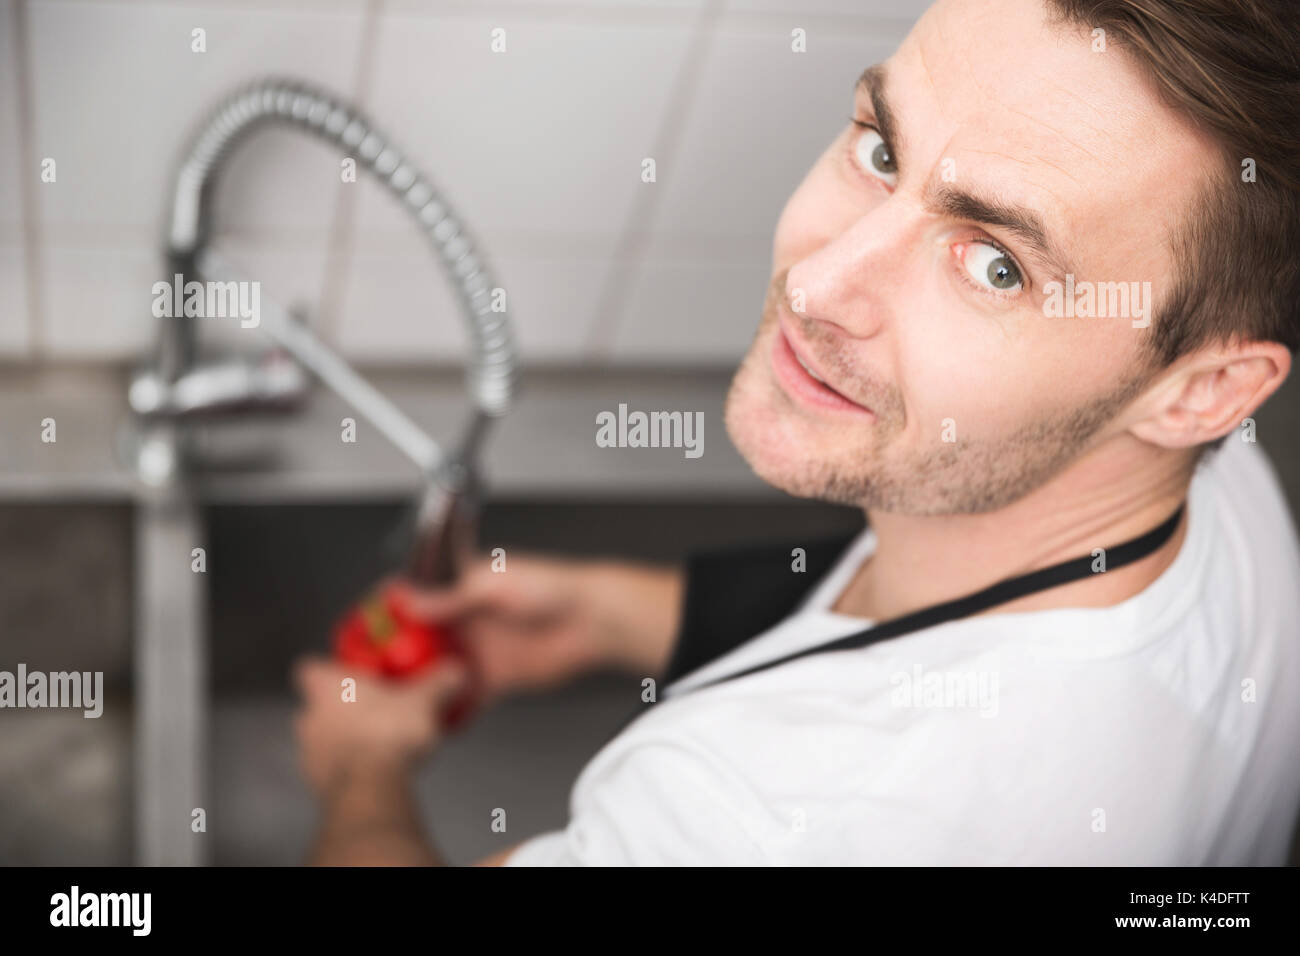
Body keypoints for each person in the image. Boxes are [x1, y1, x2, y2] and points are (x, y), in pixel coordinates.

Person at [293, 0, 1300, 865]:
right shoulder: (1224, 489)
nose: (815, 285)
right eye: (880, 149)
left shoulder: (768, 824)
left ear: (1204, 389)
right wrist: (610, 615)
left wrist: (360, 764)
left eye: (995, 264)